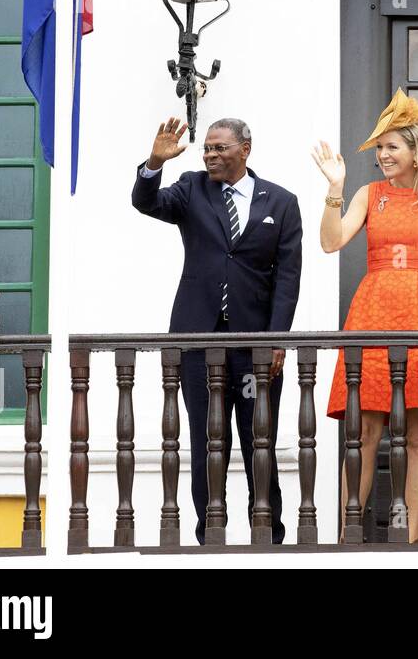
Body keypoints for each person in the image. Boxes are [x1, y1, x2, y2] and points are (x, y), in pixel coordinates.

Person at [132, 117, 301, 544]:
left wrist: (276, 340)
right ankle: (210, 534)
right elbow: (145, 203)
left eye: (219, 148)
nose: (210, 155)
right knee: (209, 442)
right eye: (206, 148)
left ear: (245, 149)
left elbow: (287, 280)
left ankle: (268, 534)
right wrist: (155, 161)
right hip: (197, 341)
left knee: (258, 441)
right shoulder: (191, 188)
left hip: (253, 346)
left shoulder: (281, 203)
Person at [317, 89, 418, 544]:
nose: (383, 155)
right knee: (365, 428)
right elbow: (331, 243)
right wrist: (334, 190)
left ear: (415, 149)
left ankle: (407, 542)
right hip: (373, 314)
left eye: (391, 147)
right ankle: (350, 534)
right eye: (379, 148)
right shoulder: (370, 193)